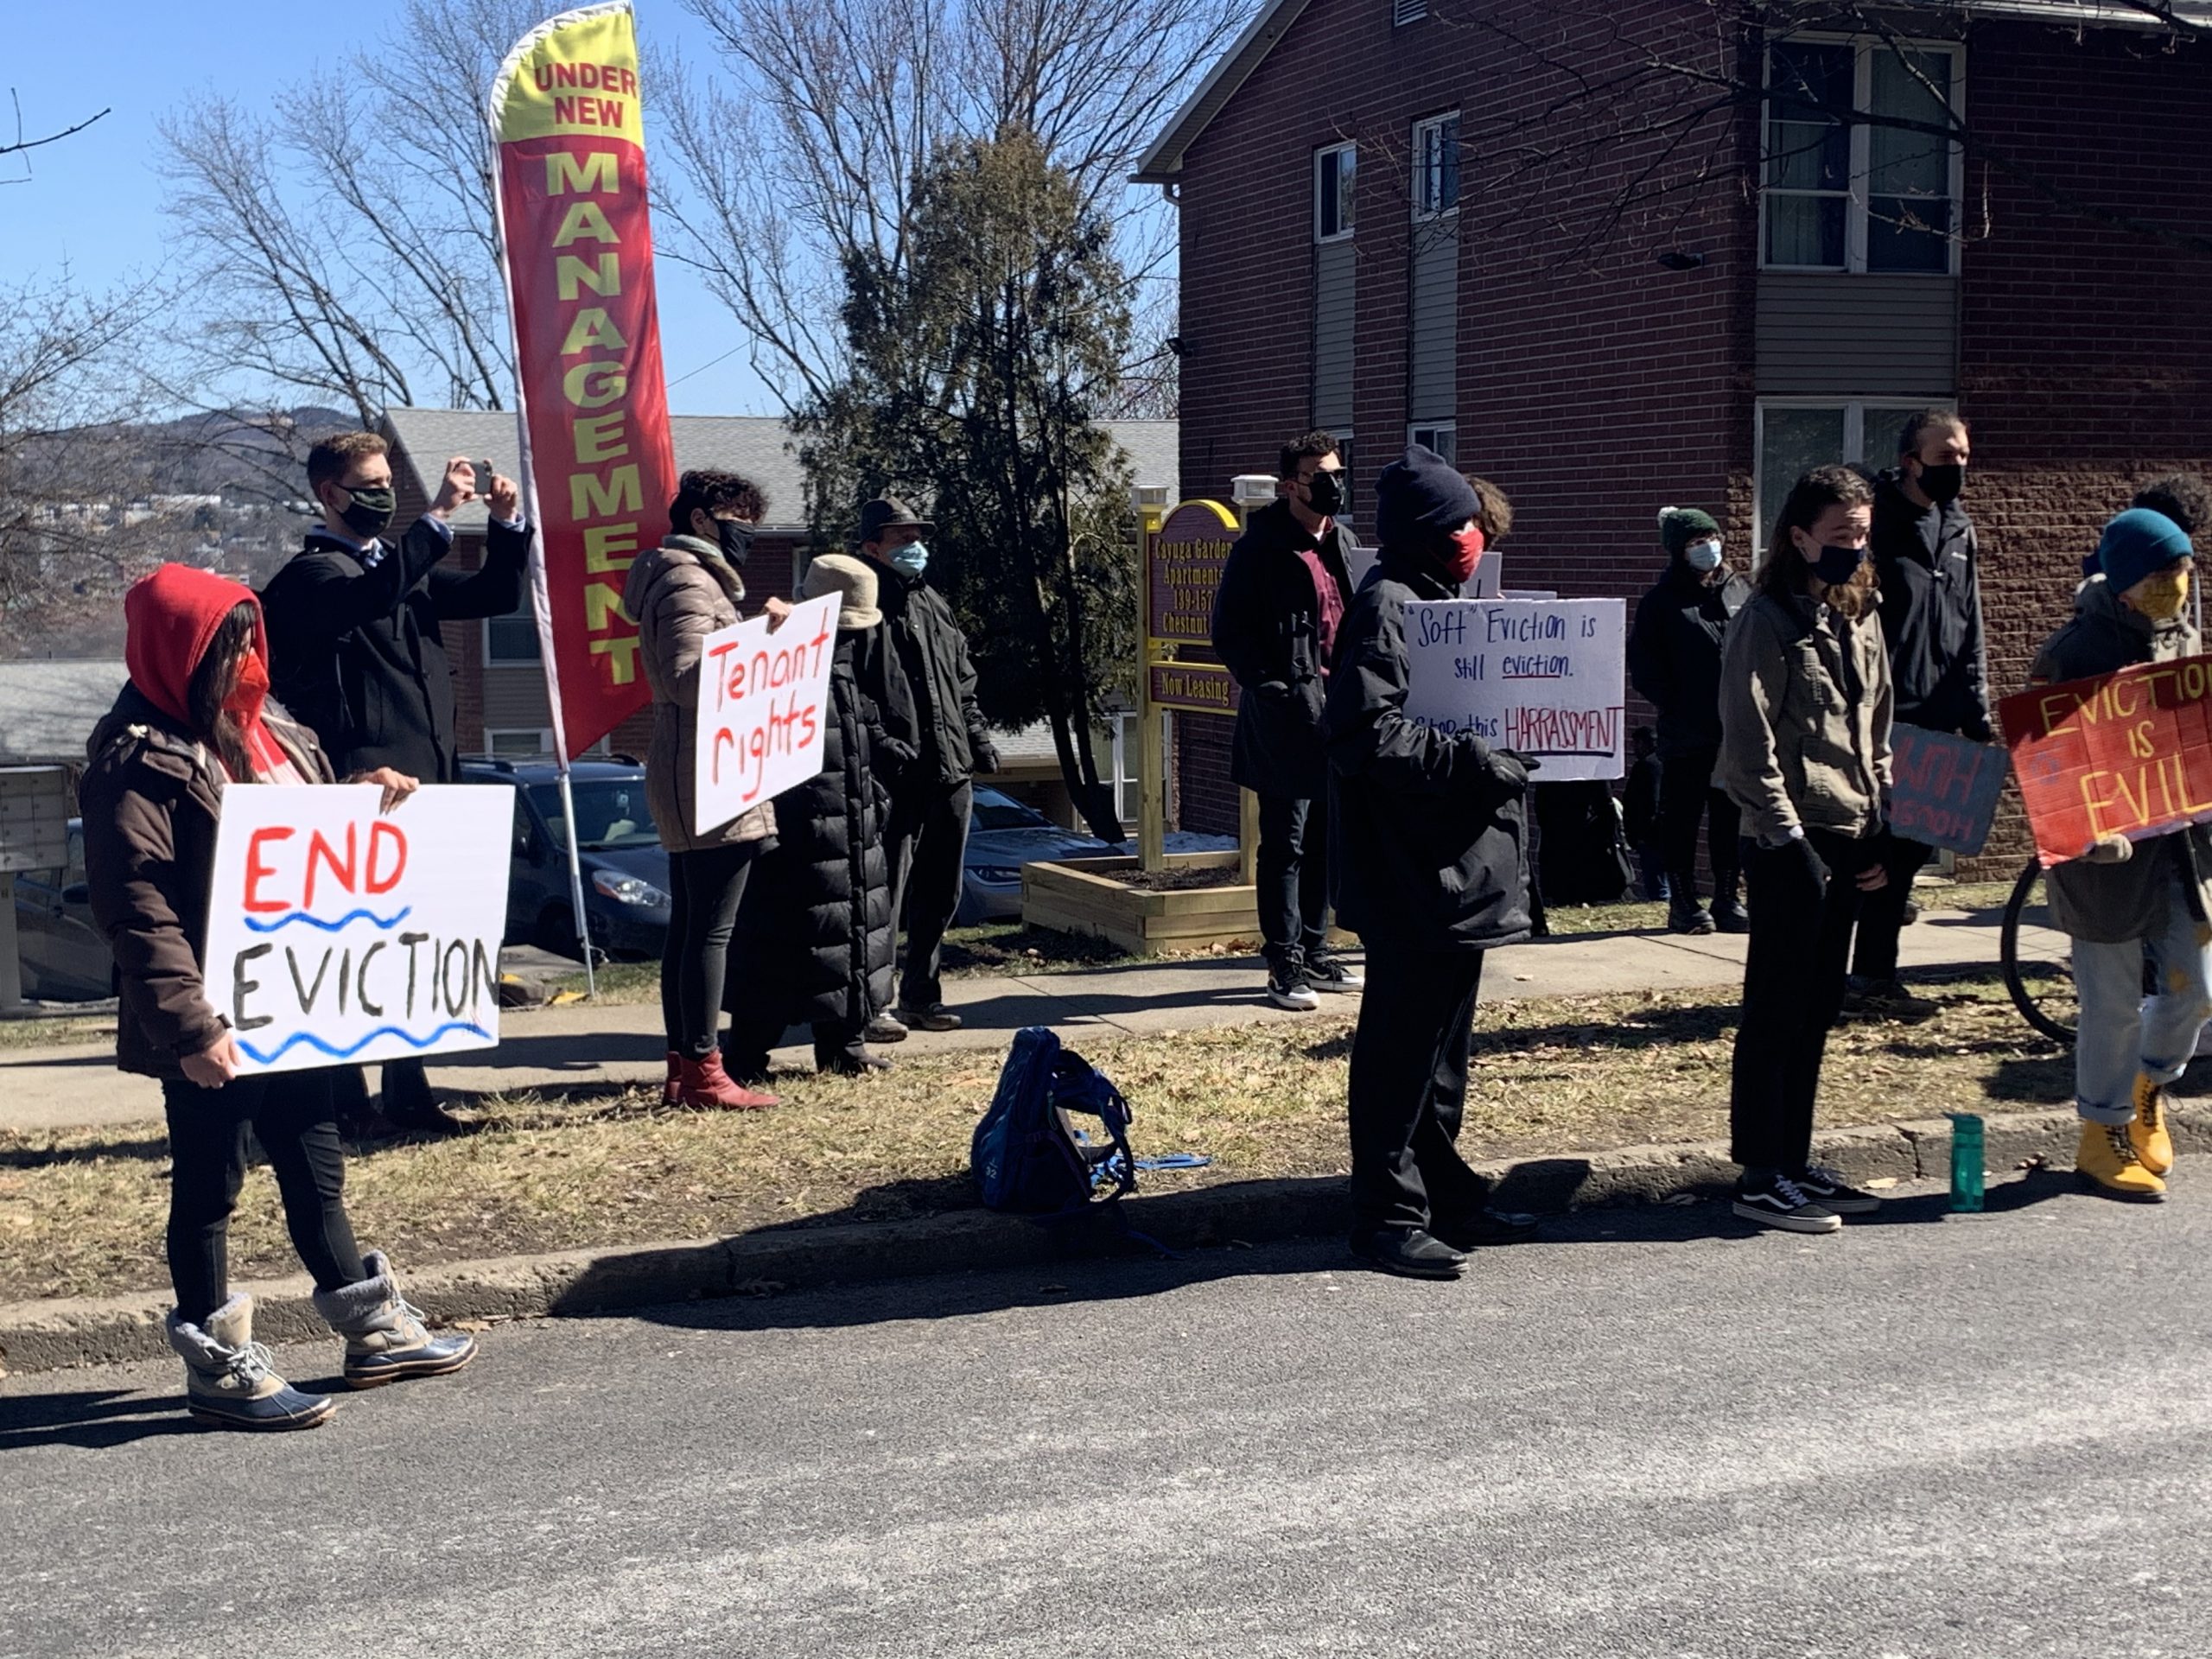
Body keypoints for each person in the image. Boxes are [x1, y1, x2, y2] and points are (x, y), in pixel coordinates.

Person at [80, 564, 477, 1430]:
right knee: (211, 1183)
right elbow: (136, 906)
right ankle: (217, 1364)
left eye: (247, 641)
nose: (242, 662)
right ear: (173, 652)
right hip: (209, 1014)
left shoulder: (277, 732)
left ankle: (369, 1328)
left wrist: (363, 798)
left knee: (315, 1164)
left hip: (296, 1002)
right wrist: (191, 1026)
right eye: (223, 647)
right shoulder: (135, 757)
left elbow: (302, 841)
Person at [259, 431, 530, 1133]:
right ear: (329, 493)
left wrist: (504, 527)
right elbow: (370, 598)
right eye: (369, 486)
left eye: (389, 484)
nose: (382, 497)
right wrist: (434, 521)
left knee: (416, 936)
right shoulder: (311, 576)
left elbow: (494, 594)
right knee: (352, 941)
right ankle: (344, 1100)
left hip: (429, 776)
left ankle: (409, 1090)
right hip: (357, 783)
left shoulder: (397, 569)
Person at [1325, 444, 1541, 1280]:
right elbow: (1362, 734)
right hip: (1411, 871)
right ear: (1423, 530)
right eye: (1456, 522)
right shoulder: (1389, 606)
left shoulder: (1442, 602)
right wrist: (1472, 761)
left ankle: (1445, 1194)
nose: (1470, 535)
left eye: (1473, 522)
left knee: (1441, 1053)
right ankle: (1385, 1216)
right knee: (1401, 1050)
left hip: (1453, 869)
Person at [1717, 465, 1896, 1234]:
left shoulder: (1861, 610)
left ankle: (1795, 1157)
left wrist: (1880, 823)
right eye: (1838, 536)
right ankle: (1760, 1172)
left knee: (1820, 1005)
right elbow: (1748, 735)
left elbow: (1877, 722)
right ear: (1798, 536)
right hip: (1790, 834)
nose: (1853, 549)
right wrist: (1786, 835)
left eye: (1860, 535)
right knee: (1777, 1006)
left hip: (1851, 826)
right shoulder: (1766, 619)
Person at [2029, 508, 2205, 1202]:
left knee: (2199, 991)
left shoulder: (2179, 638)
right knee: (2112, 1004)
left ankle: (2147, 1087)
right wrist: (2081, 827)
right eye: (2163, 573)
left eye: (2184, 570)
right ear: (2127, 581)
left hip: (2182, 850)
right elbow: (2045, 765)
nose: (2178, 585)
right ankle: (2099, 1137)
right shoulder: (2072, 655)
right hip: (2102, 861)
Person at [625, 469, 783, 1111]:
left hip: (699, 767)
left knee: (692, 928)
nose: (749, 534)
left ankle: (683, 1065)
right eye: (738, 519)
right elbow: (691, 678)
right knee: (709, 932)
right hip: (707, 772)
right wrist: (766, 642)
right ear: (700, 520)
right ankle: (703, 1070)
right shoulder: (689, 581)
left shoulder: (687, 579)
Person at [724, 555, 911, 1080]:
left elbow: (856, 727)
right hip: (797, 826)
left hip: (851, 819)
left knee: (852, 932)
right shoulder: (773, 653)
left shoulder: (844, 666)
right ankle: (746, 1054)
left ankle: (844, 1044)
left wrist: (888, 759)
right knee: (780, 940)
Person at [1212, 433, 1366, 1010]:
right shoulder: (1261, 548)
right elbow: (1230, 630)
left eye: (1338, 472)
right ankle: (1284, 963)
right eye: (1319, 475)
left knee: (1328, 839)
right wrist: (1272, 686)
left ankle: (1318, 949)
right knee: (1286, 843)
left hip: (1339, 715)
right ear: (1290, 485)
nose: (1333, 483)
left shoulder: (1345, 543)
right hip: (1283, 720)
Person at [1848, 409, 1990, 1014]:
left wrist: (1977, 704)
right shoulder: (1879, 526)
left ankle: (1875, 974)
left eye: (1962, 456)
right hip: (1881, 716)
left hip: (1937, 716)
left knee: (1908, 852)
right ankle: (1851, 974)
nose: (1955, 467)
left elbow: (1971, 623)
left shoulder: (1958, 529)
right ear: (1910, 462)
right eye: (1943, 458)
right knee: (1871, 849)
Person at [855, 497, 998, 1039]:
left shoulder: (934, 602)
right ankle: (875, 1005)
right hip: (894, 775)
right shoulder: (860, 610)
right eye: (901, 538)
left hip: (950, 769)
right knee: (884, 894)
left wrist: (977, 739)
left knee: (941, 891)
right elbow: (848, 689)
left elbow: (963, 680)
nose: (915, 547)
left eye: (919, 536)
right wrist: (881, 741)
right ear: (872, 547)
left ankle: (922, 995)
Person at [1627, 505, 1751, 936]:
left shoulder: (1738, 591)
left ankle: (1727, 898)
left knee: (1729, 817)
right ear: (1678, 551)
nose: (1708, 548)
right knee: (1681, 818)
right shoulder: (1661, 603)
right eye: (1697, 543)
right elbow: (1644, 668)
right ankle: (1682, 902)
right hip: (1686, 733)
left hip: (1735, 728)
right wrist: (1677, 704)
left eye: (1711, 538)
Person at [1624, 727, 1670, 902]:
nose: (1634, 749)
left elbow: (1650, 801)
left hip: (1651, 834)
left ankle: (1662, 906)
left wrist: (1642, 832)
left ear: (1643, 743)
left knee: (1657, 882)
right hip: (1665, 831)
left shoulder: (1647, 766)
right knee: (1664, 878)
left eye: (1635, 744)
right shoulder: (1666, 762)